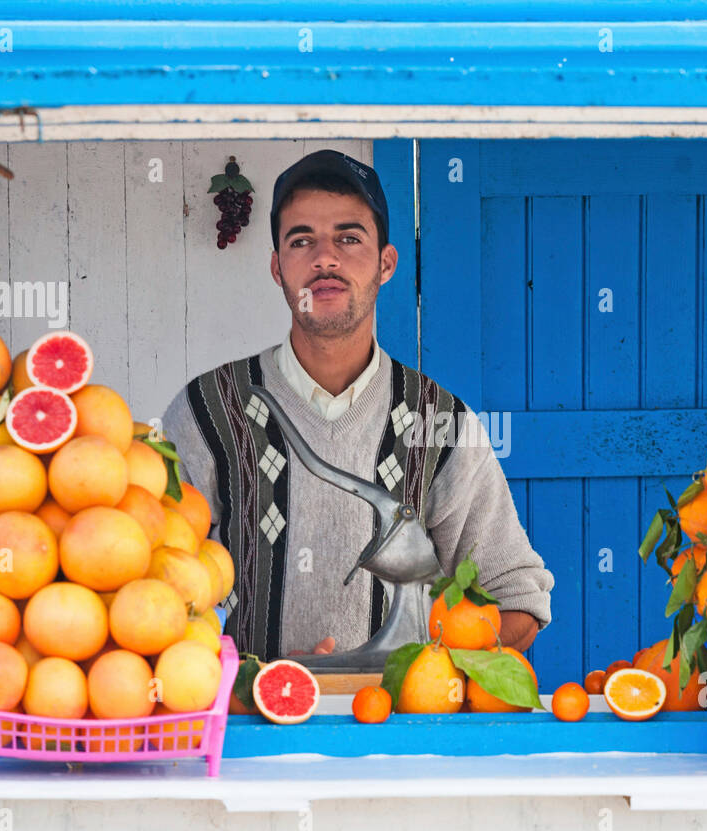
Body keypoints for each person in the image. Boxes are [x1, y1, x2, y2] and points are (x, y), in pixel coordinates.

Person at [163, 149, 552, 662]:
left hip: (399, 733)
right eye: (302, 240)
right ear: (278, 268)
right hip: (245, 730)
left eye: (349, 238)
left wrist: (428, 670)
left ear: (386, 263)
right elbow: (154, 586)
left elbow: (518, 596)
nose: (326, 258)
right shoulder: (205, 410)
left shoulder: (441, 422)